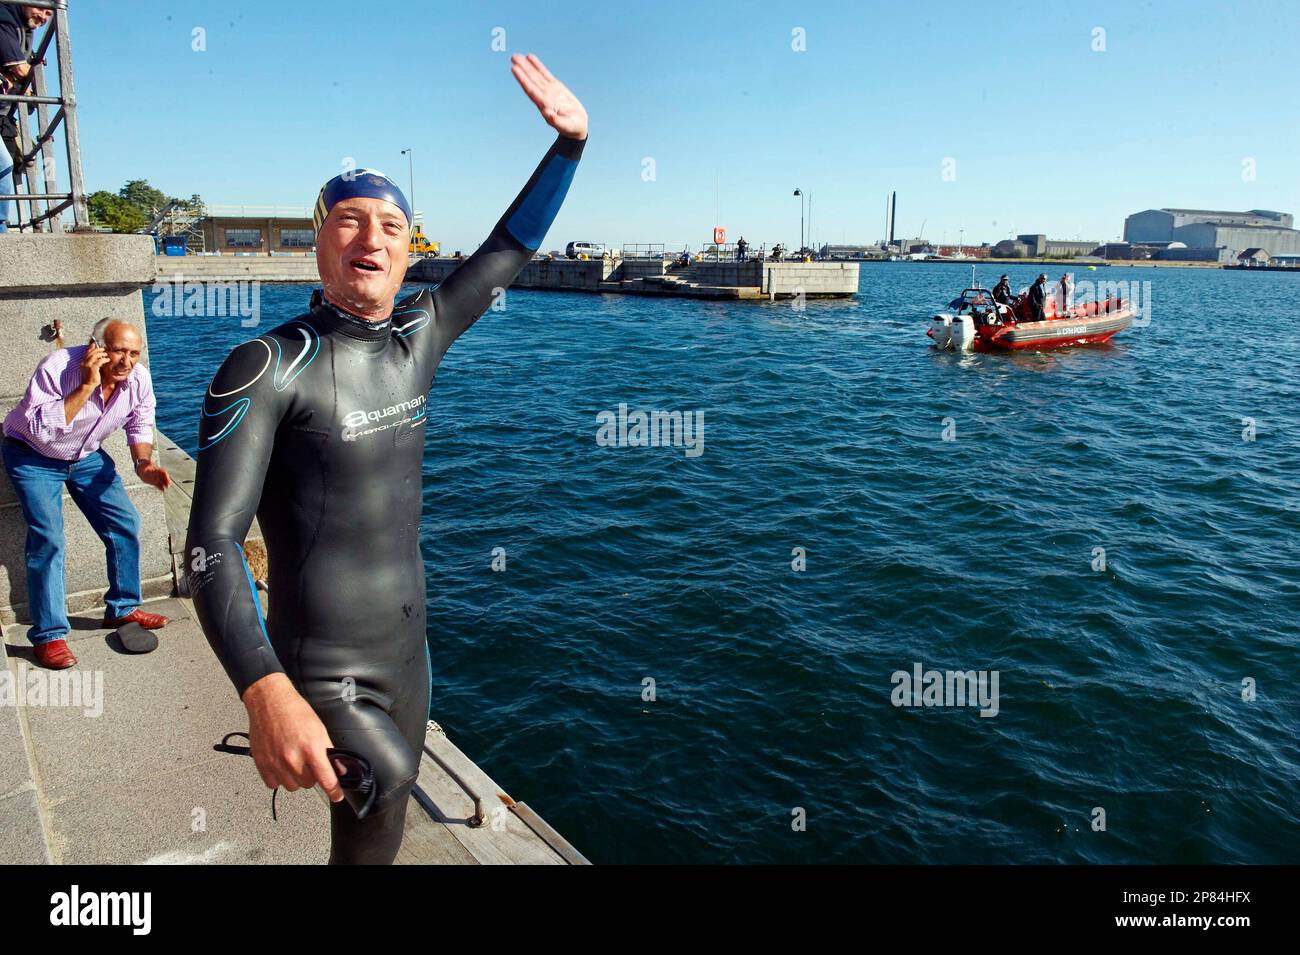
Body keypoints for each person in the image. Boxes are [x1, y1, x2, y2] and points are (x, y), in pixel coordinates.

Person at [185, 53, 587, 866]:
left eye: (392, 226)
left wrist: (571, 146)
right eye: (349, 220)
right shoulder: (264, 368)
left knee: (379, 838)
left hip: (411, 655)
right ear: (319, 240)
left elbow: (510, 246)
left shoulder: (419, 338)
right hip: (321, 666)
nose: (372, 237)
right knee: (388, 786)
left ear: (409, 253)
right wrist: (263, 689)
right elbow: (209, 546)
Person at [2, 319, 173, 669]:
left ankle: (122, 609)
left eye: (134, 353)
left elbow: (140, 422)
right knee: (48, 539)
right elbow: (41, 429)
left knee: (125, 522)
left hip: (84, 456)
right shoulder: (57, 368)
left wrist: (143, 463)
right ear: (96, 347)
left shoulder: (137, 379)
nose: (127, 361)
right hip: (33, 455)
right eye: (119, 351)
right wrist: (86, 385)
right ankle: (49, 636)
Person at [0, 5, 51, 233]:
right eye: (40, 8)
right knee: (3, 166)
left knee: (15, 162)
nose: (43, 16)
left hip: (5, 116)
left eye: (49, 13)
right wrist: (26, 75)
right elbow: (20, 69)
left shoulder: (23, 31)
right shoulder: (4, 16)